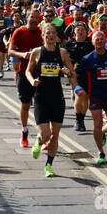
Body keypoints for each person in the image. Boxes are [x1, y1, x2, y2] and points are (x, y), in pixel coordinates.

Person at [26, 22, 80, 178]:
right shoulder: (36, 52)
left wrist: (67, 72)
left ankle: (48, 165)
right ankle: (38, 141)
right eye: (47, 33)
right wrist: (32, 81)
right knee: (46, 134)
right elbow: (28, 71)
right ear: (43, 35)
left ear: (56, 37)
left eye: (53, 33)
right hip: (41, 97)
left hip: (57, 97)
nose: (50, 36)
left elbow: (72, 73)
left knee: (55, 135)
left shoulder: (62, 52)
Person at [77, 30, 107, 165]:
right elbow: (78, 75)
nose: (99, 41)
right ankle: (100, 152)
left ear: (105, 41)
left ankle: (103, 131)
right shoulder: (87, 59)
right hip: (95, 95)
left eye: (102, 39)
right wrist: (79, 89)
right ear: (92, 42)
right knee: (96, 123)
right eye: (97, 39)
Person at [7, 8, 45, 148]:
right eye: (31, 17)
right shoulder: (19, 31)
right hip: (24, 73)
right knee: (25, 104)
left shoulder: (42, 32)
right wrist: (23, 55)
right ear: (27, 17)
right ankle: (24, 131)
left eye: (36, 17)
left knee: (42, 105)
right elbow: (10, 50)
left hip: (41, 74)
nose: (34, 20)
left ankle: (43, 135)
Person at [63, 21, 95, 133]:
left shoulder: (91, 44)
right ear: (74, 32)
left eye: (82, 30)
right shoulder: (68, 44)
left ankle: (81, 119)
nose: (80, 32)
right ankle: (78, 120)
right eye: (78, 30)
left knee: (85, 97)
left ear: (86, 32)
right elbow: (63, 59)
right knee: (79, 94)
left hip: (87, 74)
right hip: (74, 74)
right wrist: (66, 69)